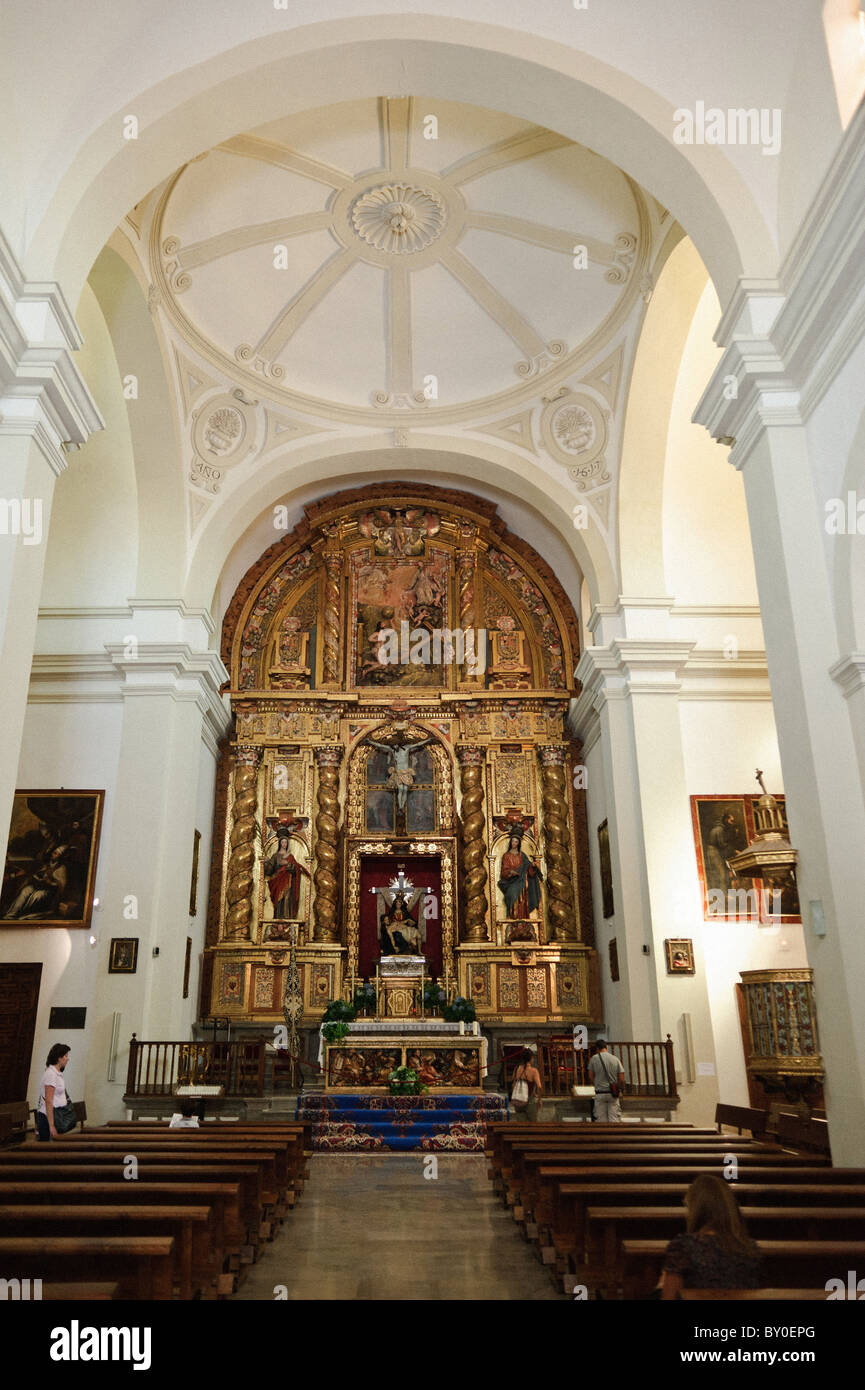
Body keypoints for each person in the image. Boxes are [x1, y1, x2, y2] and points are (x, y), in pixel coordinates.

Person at [659, 1175, 762, 1297]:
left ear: (695, 1209)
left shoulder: (683, 1246)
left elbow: (669, 1297)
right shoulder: (750, 1247)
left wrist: (661, 1284)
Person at [36, 1043, 71, 1141]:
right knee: (47, 1151)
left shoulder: (57, 1073)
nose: (67, 1059)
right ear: (59, 1058)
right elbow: (49, 1101)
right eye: (66, 1056)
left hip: (56, 1116)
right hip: (47, 1119)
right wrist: (51, 1125)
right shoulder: (51, 1074)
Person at [589, 1039, 624, 1121]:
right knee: (614, 1119)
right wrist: (620, 1088)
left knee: (601, 1120)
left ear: (597, 1048)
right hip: (613, 1093)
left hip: (600, 1092)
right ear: (606, 1047)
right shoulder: (615, 1059)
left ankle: (603, 1133)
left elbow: (590, 1076)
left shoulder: (594, 1059)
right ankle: (614, 1133)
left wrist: (596, 1084)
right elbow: (622, 1078)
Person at [510, 1047, 543, 1121]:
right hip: (529, 1101)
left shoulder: (516, 1069)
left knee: (520, 1124)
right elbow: (539, 1087)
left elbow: (513, 1084)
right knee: (532, 1124)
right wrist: (539, 1099)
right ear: (531, 1058)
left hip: (518, 1100)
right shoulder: (533, 1071)